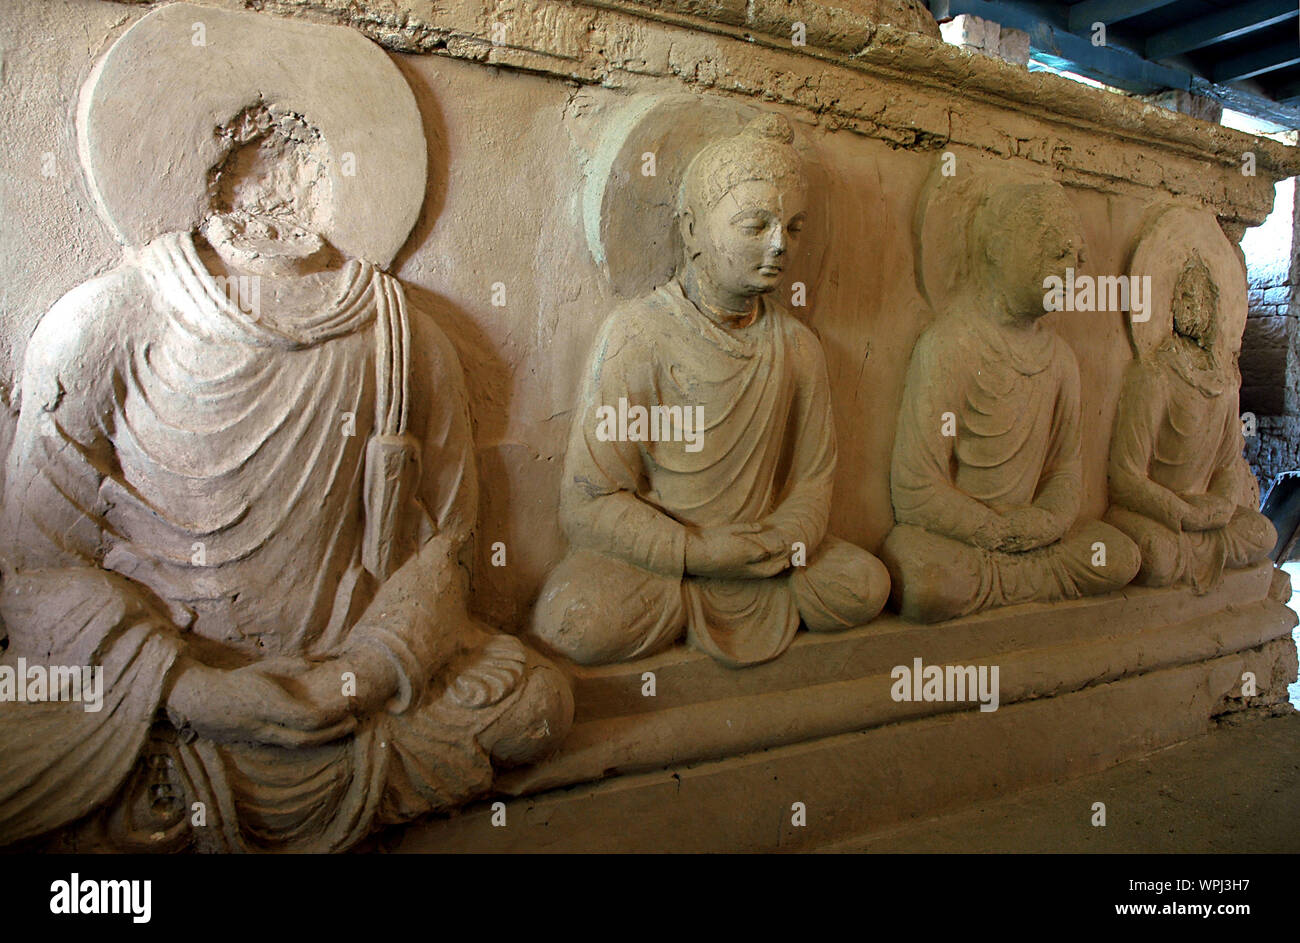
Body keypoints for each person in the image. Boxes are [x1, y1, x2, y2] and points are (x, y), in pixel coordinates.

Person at [0, 102, 571, 853]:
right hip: (156, 697)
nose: (273, 195)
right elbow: (33, 571)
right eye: (253, 164)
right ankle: (207, 756)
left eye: (298, 164)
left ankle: (223, 774)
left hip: (351, 682)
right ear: (210, 176)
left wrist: (367, 672)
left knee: (533, 702)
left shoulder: (403, 336)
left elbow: (447, 550)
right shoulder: (108, 321)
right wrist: (190, 688)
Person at [530, 114, 889, 668]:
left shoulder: (797, 347)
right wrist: (696, 552)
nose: (779, 246)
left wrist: (781, 540)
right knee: (574, 620)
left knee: (865, 585)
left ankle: (737, 589)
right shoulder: (639, 335)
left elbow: (813, 481)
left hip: (765, 557)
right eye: (755, 225)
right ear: (693, 228)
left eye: (793, 228)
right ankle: (700, 593)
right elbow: (589, 500)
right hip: (668, 567)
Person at [882, 181, 1140, 623]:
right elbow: (915, 488)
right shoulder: (950, 344)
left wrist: (1050, 521)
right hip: (965, 540)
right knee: (927, 584)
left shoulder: (1060, 359)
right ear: (1000, 250)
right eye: (1056, 255)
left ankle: (1013, 582)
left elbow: (1064, 468)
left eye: (1077, 259)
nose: (1072, 273)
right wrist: (992, 530)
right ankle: (1023, 583)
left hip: (1034, 539)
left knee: (1118, 556)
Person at [1105, 253, 1275, 592]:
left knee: (1263, 534)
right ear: (1170, 305)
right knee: (1157, 558)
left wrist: (1223, 506)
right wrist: (1180, 511)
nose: (1193, 305)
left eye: (1202, 297)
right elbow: (1125, 477)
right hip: (1160, 515)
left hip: (1209, 516)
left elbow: (1228, 465)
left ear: (1215, 307)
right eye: (1185, 295)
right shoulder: (1152, 376)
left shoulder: (1225, 384)